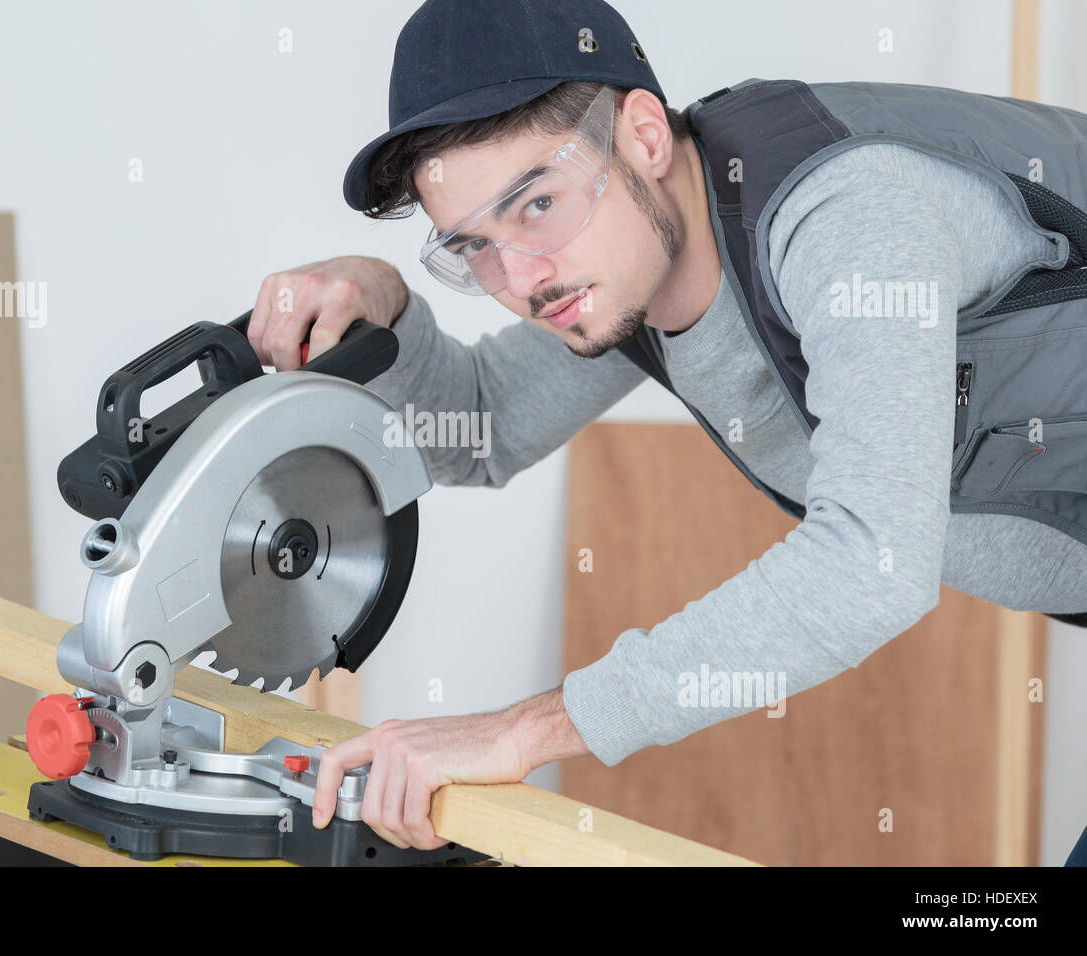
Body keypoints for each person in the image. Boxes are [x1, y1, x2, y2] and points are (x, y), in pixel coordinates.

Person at [242, 0, 1087, 858]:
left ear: (644, 136)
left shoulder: (846, 212)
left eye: (534, 204)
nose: (521, 279)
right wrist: (385, 302)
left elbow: (872, 563)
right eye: (472, 247)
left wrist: (522, 731)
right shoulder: (625, 262)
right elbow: (482, 428)